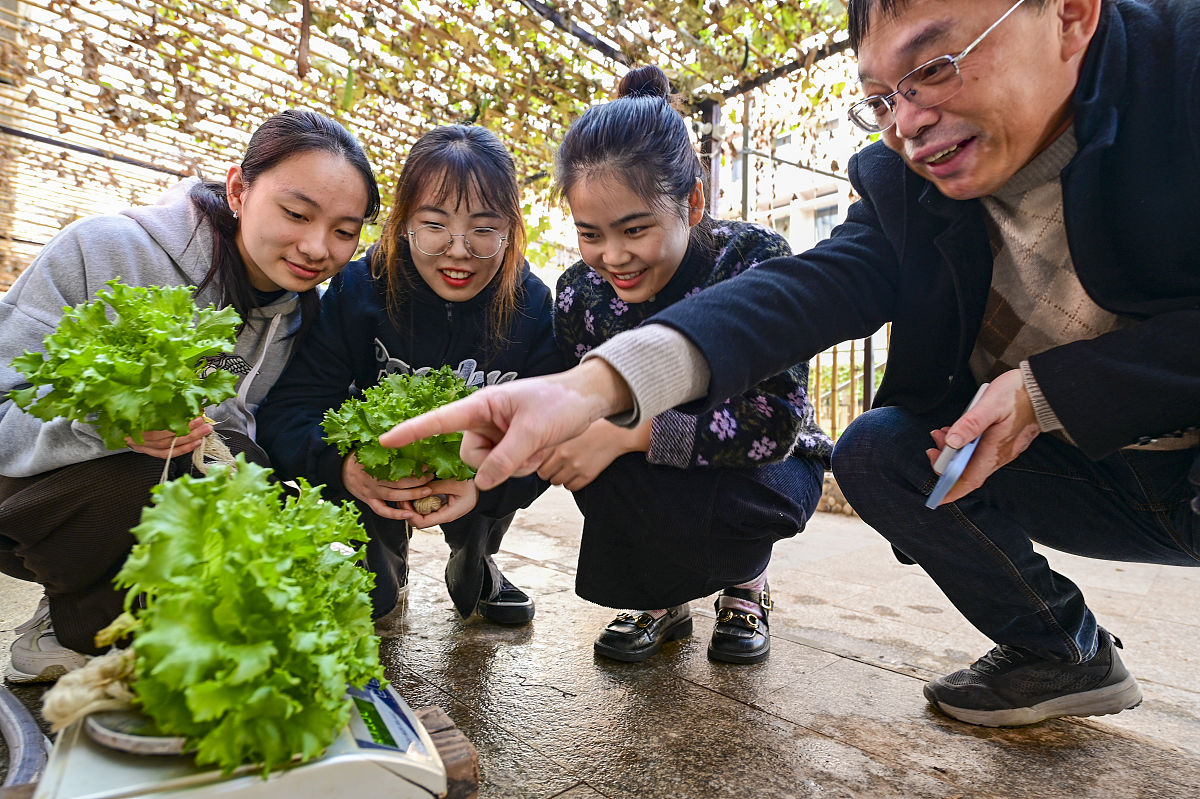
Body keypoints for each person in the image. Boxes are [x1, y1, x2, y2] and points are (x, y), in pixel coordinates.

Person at [381, 0, 1200, 728]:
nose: (906, 122)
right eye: (882, 96)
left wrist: (1045, 390)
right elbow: (809, 290)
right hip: (1092, 472)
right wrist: (593, 391)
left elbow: (773, 420)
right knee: (881, 449)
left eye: (936, 66)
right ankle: (1063, 647)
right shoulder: (905, 185)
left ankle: (743, 577)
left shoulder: (1182, 73)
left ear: (1070, 14)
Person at [0, 109, 380, 682]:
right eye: (296, 214)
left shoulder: (300, 310)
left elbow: (249, 431)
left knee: (259, 484)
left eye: (344, 231)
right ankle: (68, 614)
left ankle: (126, 624)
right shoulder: (103, 249)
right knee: (156, 476)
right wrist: (107, 427)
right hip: (34, 489)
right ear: (238, 189)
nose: (316, 246)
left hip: (154, 485)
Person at [541, 66, 830, 664]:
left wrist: (628, 435)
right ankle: (660, 598)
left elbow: (773, 426)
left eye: (635, 229)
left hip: (766, 468)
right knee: (592, 460)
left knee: (623, 452)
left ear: (692, 202)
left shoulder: (752, 259)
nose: (612, 257)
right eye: (589, 233)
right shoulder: (578, 293)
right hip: (650, 465)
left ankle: (746, 583)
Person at [256, 125, 562, 632]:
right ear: (403, 224)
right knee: (373, 602)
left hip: (477, 478)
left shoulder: (530, 304)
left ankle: (477, 558)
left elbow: (551, 433)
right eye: (434, 224)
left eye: (484, 228)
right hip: (373, 486)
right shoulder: (359, 287)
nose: (458, 250)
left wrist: (484, 490)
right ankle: (384, 568)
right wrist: (343, 467)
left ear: (510, 230)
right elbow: (292, 408)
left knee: (495, 461)